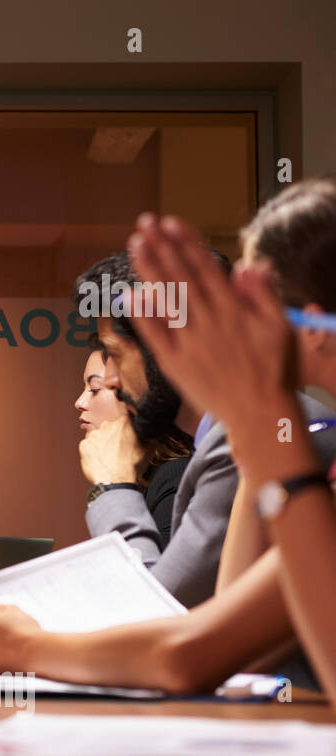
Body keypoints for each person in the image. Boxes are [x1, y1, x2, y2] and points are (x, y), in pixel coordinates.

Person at [0, 178, 336, 698]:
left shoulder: (293, 435)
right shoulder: (268, 434)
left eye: (248, 304)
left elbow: (183, 646)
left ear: (311, 325)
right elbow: (214, 641)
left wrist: (27, 646)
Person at [74, 249, 336, 607]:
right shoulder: (235, 435)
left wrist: (112, 487)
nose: (111, 380)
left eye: (115, 355)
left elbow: (158, 608)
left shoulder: (246, 441)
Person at [75, 345, 191, 547]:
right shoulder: (140, 474)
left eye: (94, 389)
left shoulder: (175, 478)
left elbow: (144, 565)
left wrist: (112, 488)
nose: (79, 402)